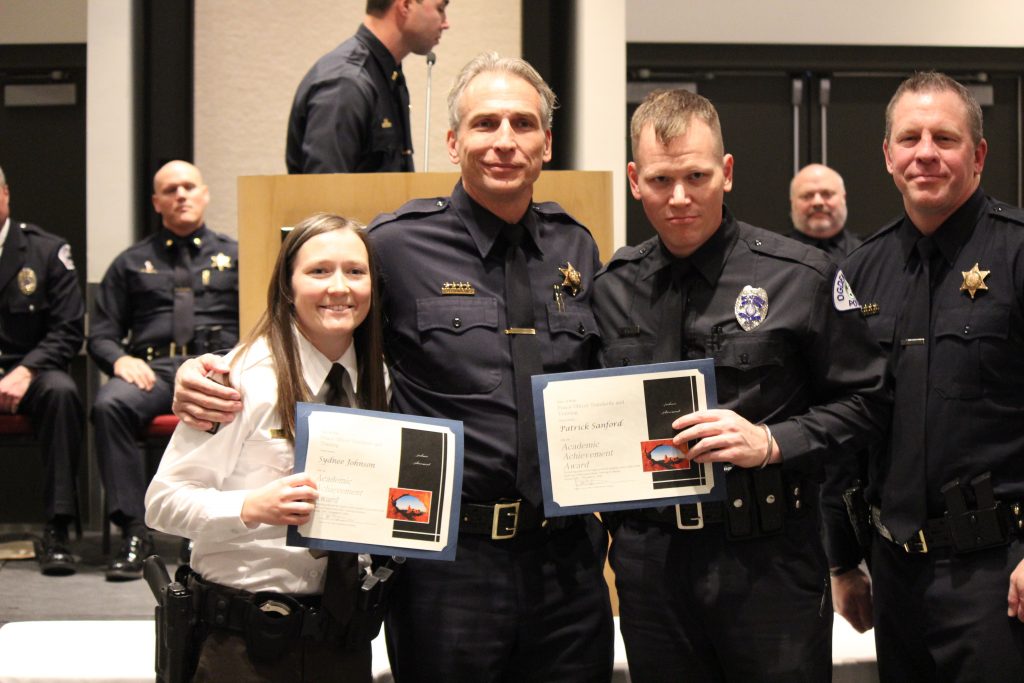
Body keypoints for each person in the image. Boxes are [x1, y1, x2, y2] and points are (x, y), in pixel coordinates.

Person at [172, 53, 614, 682]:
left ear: (547, 143)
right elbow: (313, 321)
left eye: (523, 124)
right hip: (448, 561)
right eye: (486, 124)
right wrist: (208, 369)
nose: (505, 142)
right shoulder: (396, 245)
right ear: (454, 142)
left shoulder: (576, 245)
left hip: (565, 557)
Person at [592, 89, 889, 682]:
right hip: (653, 565)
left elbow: (870, 402)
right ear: (633, 180)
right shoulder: (611, 287)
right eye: (660, 179)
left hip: (768, 559)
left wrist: (773, 442)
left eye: (696, 175)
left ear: (726, 173)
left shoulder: (800, 276)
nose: (679, 197)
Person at [824, 71, 1024, 682]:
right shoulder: (859, 273)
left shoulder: (1018, 254)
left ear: (980, 154)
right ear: (888, 156)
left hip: (1000, 573)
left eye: (946, 138)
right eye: (910, 138)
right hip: (895, 575)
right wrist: (842, 560)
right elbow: (842, 422)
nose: (926, 153)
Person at [146, 213, 386, 681]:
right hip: (243, 641)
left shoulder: (382, 382)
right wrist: (252, 507)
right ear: (287, 286)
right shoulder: (239, 381)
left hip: (342, 637)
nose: (340, 287)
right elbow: (162, 503)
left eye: (355, 272)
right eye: (318, 271)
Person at [89, 160, 239, 581]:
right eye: (170, 190)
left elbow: (262, 320)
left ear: (205, 193)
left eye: (189, 186)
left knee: (237, 402)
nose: (181, 195)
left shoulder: (236, 255)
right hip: (153, 370)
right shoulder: (130, 262)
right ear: (157, 202)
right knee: (109, 405)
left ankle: (203, 527)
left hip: (218, 366)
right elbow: (100, 333)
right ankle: (136, 532)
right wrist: (120, 360)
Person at [0, 163, 85, 576]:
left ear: (5, 195)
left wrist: (26, 370)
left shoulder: (46, 250)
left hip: (31, 372)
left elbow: (68, 330)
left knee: (62, 392)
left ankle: (58, 529)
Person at [286, 0, 450, 174]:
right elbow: (325, 193)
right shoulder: (346, 84)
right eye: (440, 9)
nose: (446, 23)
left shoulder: (387, 75)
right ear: (406, 5)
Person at [787, 163, 860, 259]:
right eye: (807, 196)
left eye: (827, 194)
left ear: (844, 199)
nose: (817, 202)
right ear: (792, 203)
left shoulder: (866, 253)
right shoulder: (774, 256)